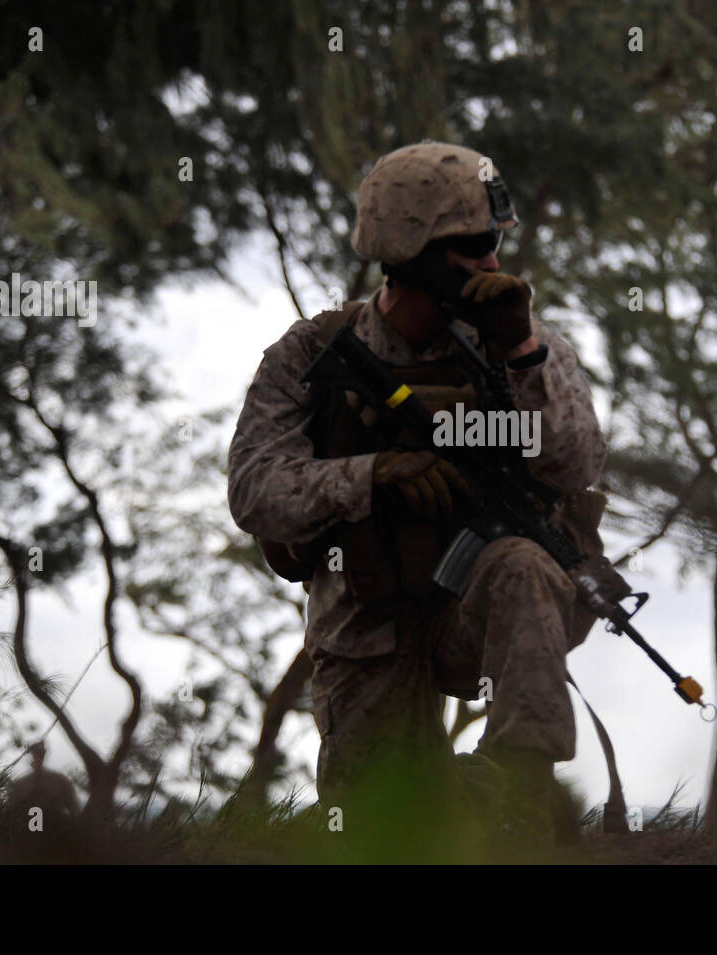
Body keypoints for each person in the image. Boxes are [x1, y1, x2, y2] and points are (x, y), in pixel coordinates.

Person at [227, 141, 613, 845]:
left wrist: (522, 356)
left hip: (471, 610)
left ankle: (524, 797)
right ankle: (454, 799)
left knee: (527, 564)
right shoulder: (310, 354)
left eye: (494, 240)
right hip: (364, 626)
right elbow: (255, 491)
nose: (493, 261)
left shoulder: (526, 346)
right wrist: (368, 475)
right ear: (412, 253)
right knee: (384, 830)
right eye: (472, 244)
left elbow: (575, 461)